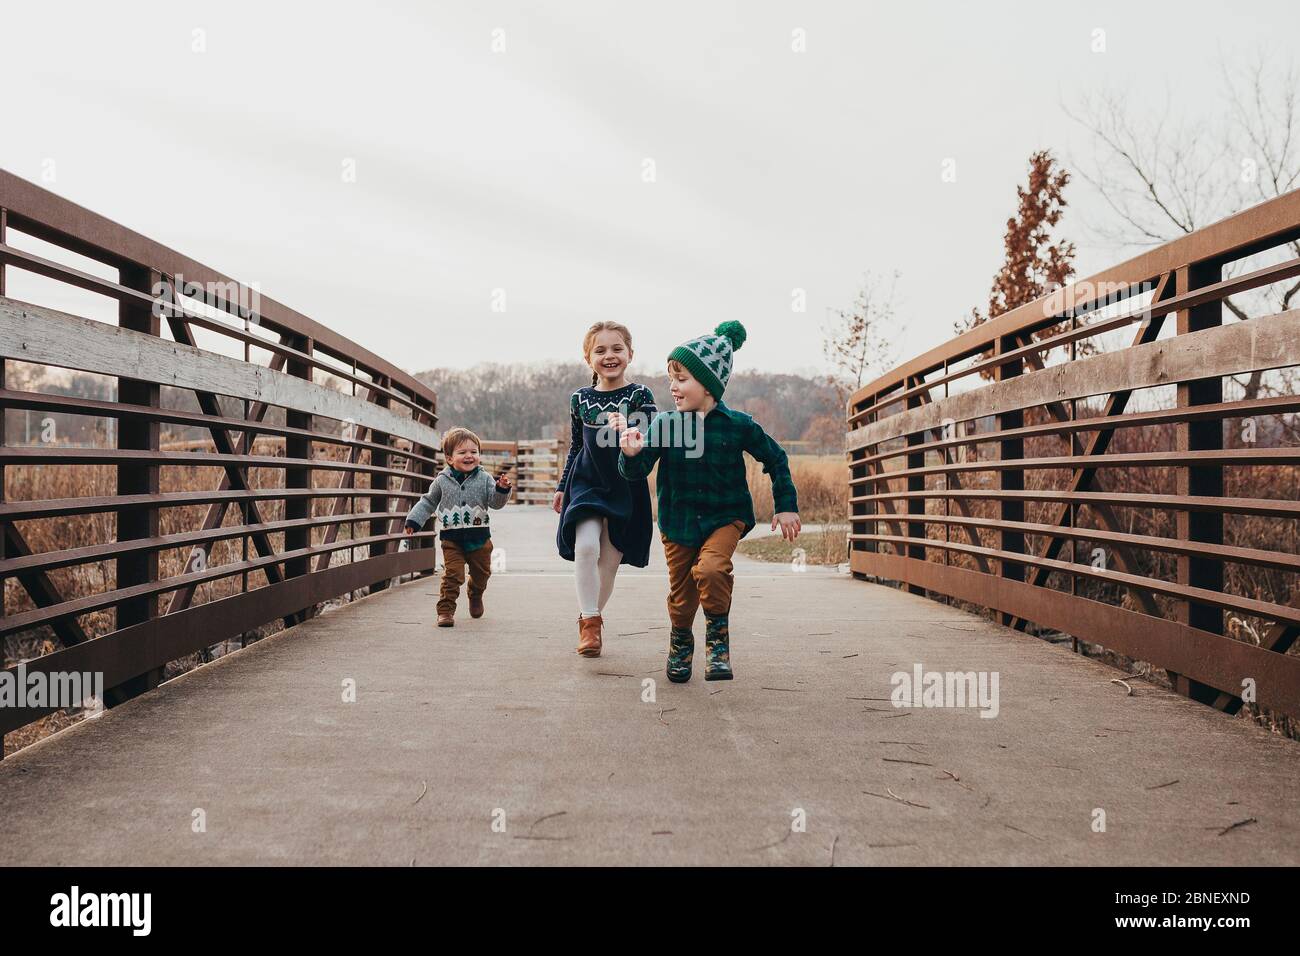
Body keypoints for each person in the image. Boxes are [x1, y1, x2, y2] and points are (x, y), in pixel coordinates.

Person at [619, 321, 799, 681]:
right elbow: (637, 472)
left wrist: (786, 504)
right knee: (682, 596)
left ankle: (718, 642)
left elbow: (775, 457)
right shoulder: (666, 425)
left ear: (709, 384)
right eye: (671, 377)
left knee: (712, 570)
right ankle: (681, 641)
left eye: (682, 378)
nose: (673, 386)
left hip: (725, 517)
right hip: (678, 521)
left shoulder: (738, 425)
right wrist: (630, 453)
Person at [554, 321, 658, 657]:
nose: (609, 355)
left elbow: (651, 439)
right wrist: (561, 485)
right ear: (589, 358)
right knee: (585, 547)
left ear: (630, 354)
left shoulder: (640, 395)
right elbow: (574, 446)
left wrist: (629, 427)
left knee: (610, 559)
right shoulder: (580, 398)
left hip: (625, 484)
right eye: (600, 350)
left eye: (617, 349)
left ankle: (589, 618)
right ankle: (591, 622)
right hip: (587, 482)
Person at [404, 427, 512, 627]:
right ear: (449, 458)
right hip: (451, 539)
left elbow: (496, 503)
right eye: (462, 453)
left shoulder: (485, 478)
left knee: (482, 574)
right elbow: (428, 502)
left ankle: (475, 593)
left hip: (480, 538)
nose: (469, 456)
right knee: (453, 574)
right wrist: (414, 520)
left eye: (474, 452)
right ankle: (445, 610)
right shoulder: (442, 481)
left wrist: (502, 489)